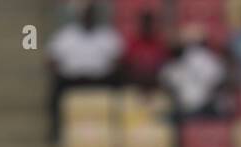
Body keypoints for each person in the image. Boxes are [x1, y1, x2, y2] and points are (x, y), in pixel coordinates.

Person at [47, 2, 122, 138]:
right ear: (80, 16)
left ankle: (116, 126)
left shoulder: (107, 35)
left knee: (120, 83)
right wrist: (58, 70)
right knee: (56, 88)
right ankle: (57, 129)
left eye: (91, 14)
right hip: (73, 80)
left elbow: (117, 61)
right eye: (86, 14)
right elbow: (52, 60)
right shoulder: (66, 35)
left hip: (100, 80)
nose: (88, 17)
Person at [159, 27, 227, 120]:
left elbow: (219, 79)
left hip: (205, 106)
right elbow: (166, 79)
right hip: (183, 108)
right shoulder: (174, 63)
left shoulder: (207, 58)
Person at [123, 9, 169, 87]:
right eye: (145, 24)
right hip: (136, 82)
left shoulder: (160, 44)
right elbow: (127, 64)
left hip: (156, 82)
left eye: (149, 24)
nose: (147, 27)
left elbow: (165, 65)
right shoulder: (133, 43)